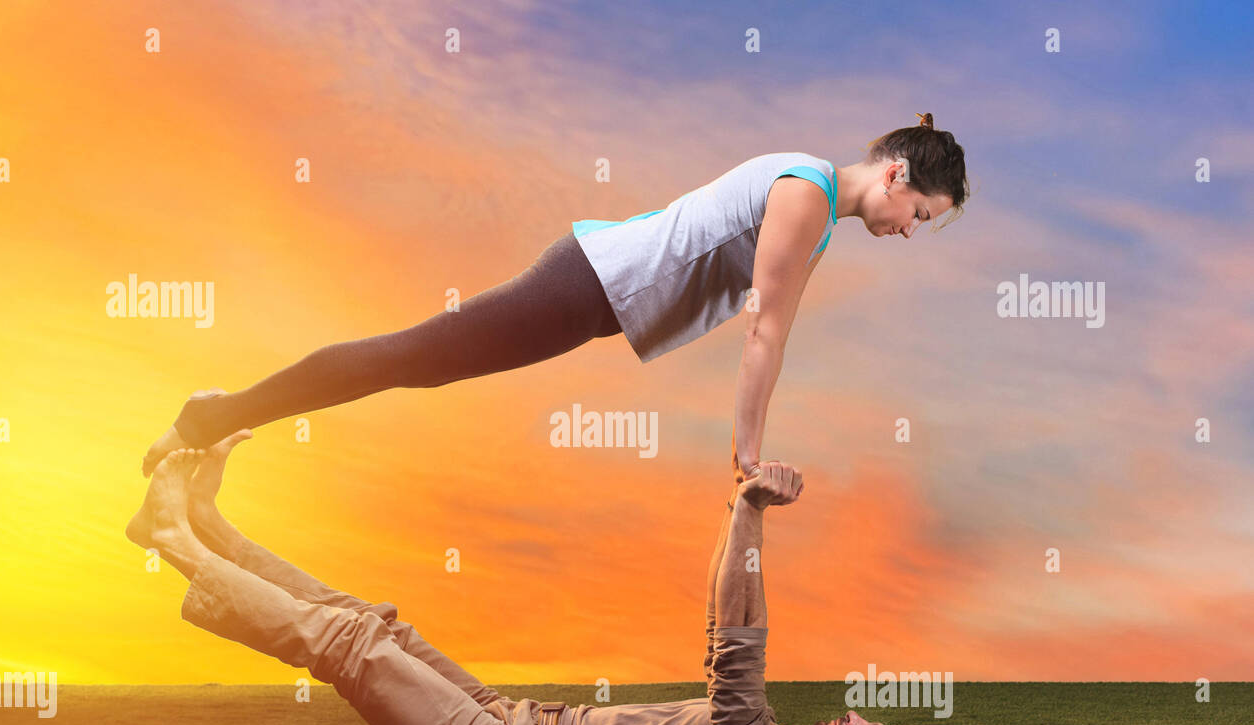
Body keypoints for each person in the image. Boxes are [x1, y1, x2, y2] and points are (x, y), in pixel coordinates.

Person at [125, 431, 951, 725]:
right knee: (375, 625)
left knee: (354, 648)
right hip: (511, 723)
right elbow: (721, 635)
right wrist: (737, 510)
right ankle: (210, 528)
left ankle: (174, 541)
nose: (854, 715)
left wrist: (751, 514)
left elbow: (734, 651)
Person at [141, 113, 968, 485]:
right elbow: (765, 334)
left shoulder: (816, 218)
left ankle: (219, 413)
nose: (908, 231)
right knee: (412, 357)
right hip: (585, 282)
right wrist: (747, 456)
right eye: (921, 216)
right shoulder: (806, 193)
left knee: (419, 363)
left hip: (592, 290)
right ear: (898, 174)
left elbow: (764, 326)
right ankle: (210, 416)